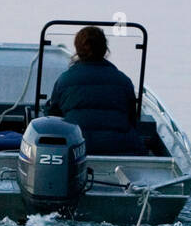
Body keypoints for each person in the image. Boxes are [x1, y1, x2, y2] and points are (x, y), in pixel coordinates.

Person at [43, 26, 146, 155]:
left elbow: (54, 118)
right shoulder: (124, 81)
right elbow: (132, 119)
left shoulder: (65, 80)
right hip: (121, 148)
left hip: (77, 148)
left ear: (77, 50)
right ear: (105, 50)